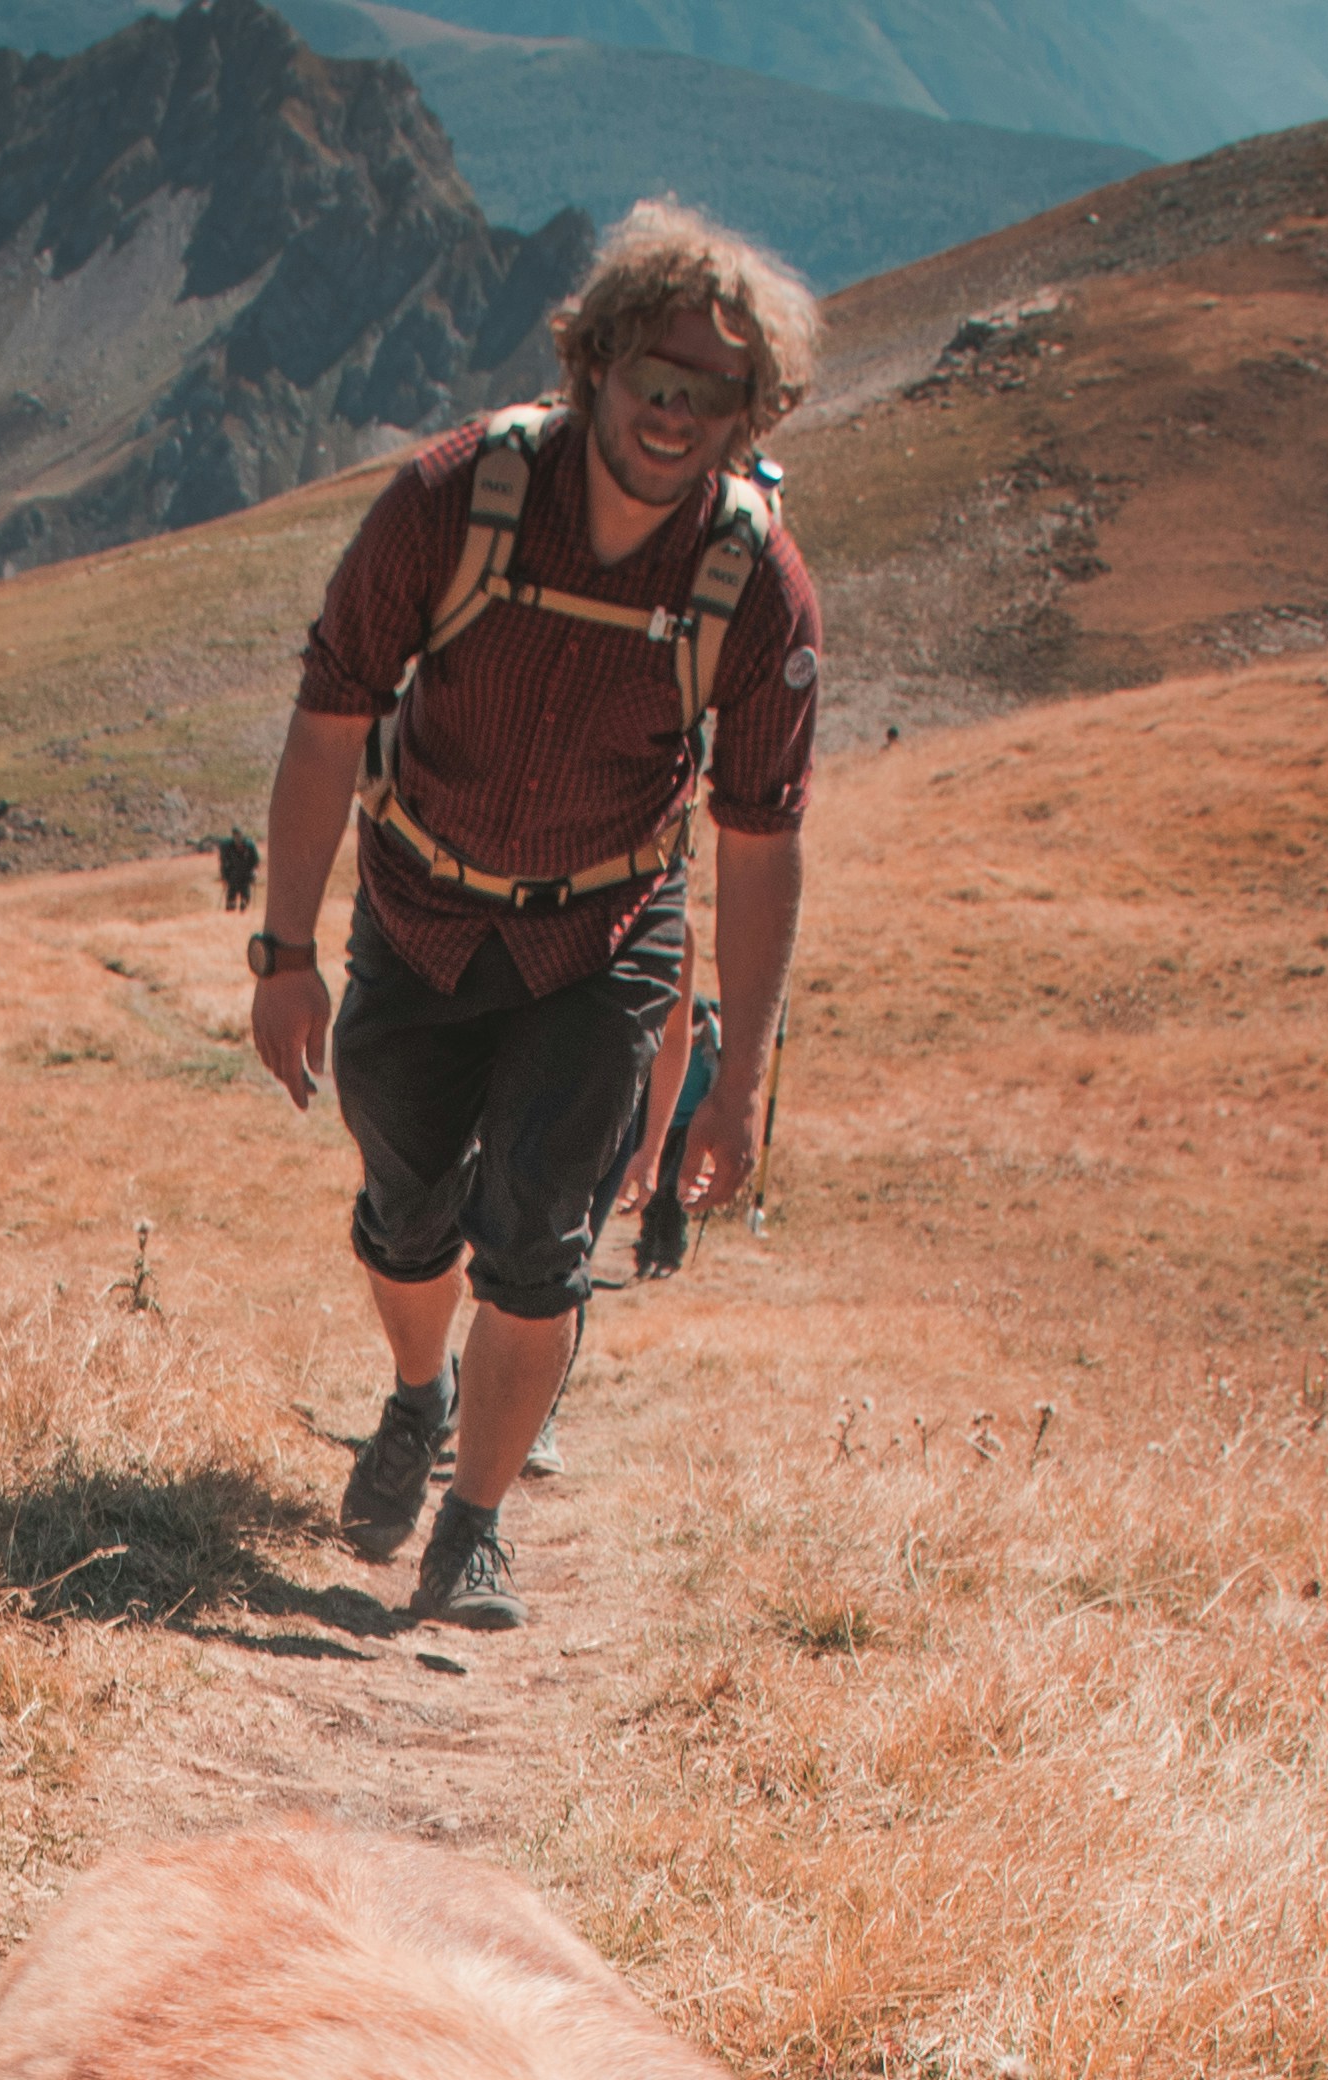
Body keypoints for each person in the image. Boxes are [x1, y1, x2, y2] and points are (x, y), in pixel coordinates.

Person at [244, 201, 824, 1631]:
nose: (676, 415)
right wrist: (285, 951)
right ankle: (416, 1393)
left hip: (603, 937)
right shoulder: (450, 500)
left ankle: (475, 1525)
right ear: (594, 364)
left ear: (753, 414)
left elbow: (758, 841)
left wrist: (737, 1080)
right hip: (419, 909)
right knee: (404, 1215)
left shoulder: (759, 589)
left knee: (541, 1235)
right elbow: (329, 723)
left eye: (714, 394)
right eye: (653, 379)